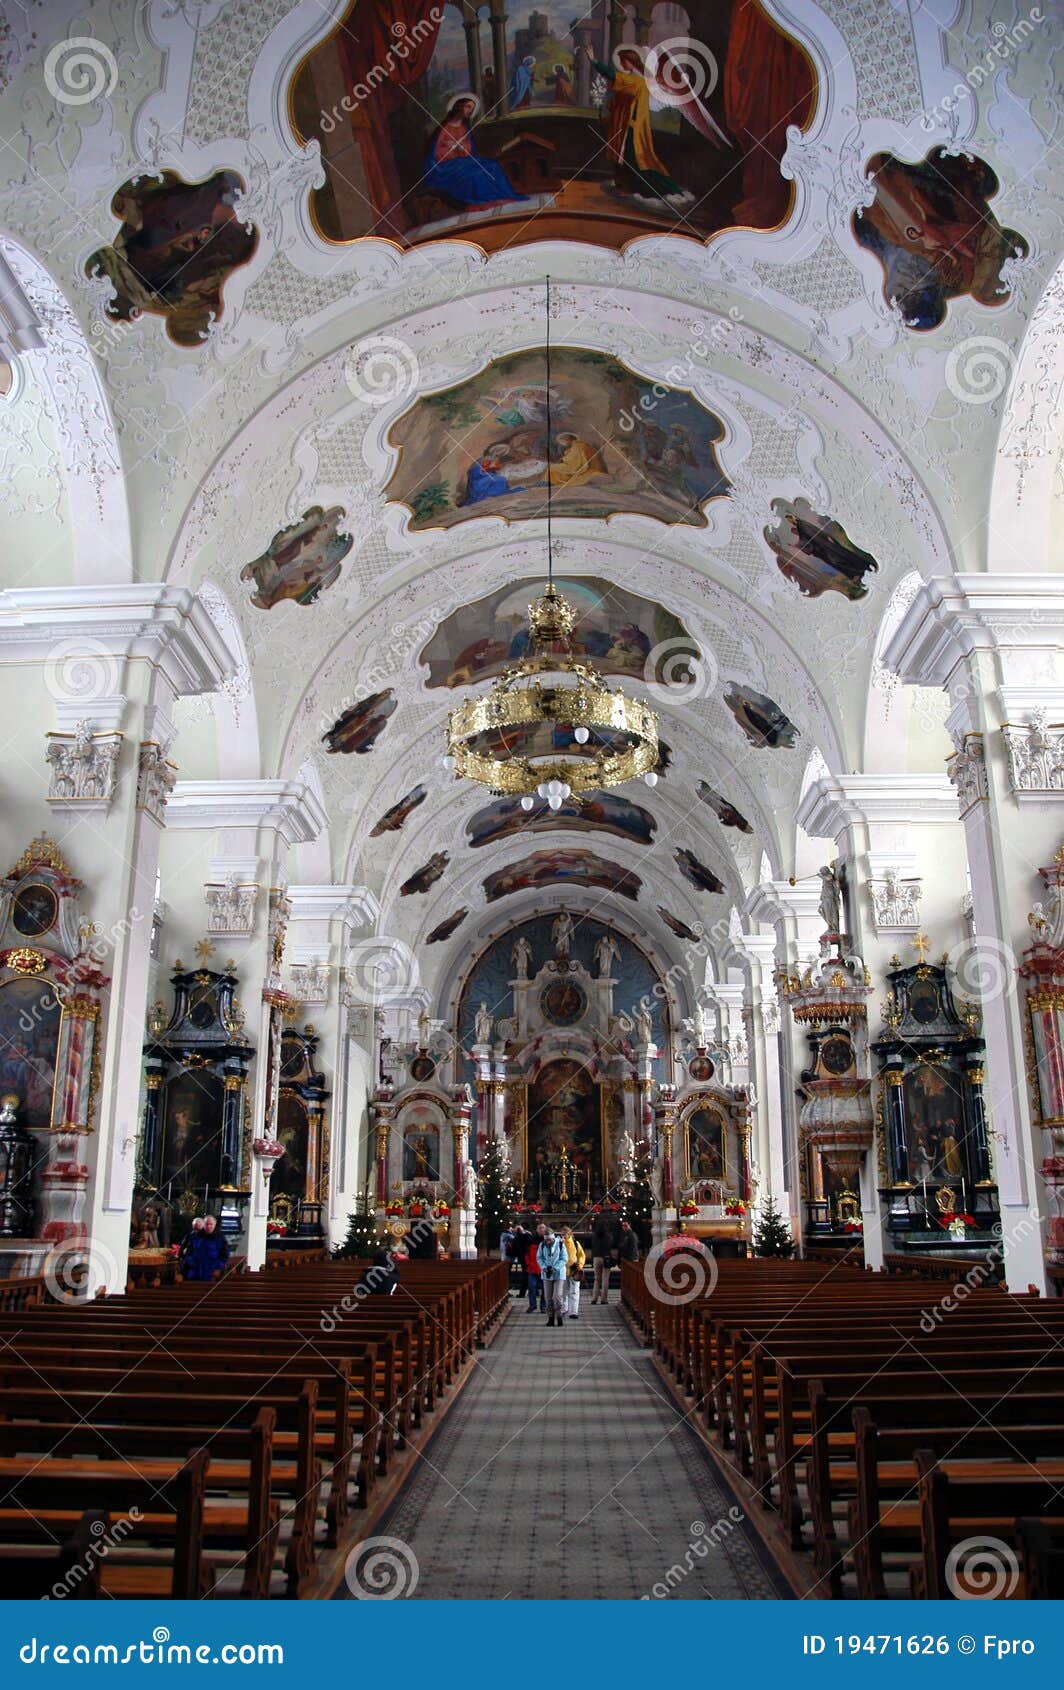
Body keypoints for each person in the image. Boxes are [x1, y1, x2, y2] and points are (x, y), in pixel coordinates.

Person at [424, 96, 527, 210]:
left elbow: (469, 149)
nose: (470, 110)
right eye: (468, 106)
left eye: (472, 108)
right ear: (459, 106)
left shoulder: (464, 127)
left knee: (493, 165)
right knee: (476, 173)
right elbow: (436, 154)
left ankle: (501, 195)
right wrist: (451, 148)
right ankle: (485, 199)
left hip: (464, 160)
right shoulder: (444, 129)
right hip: (446, 166)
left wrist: (463, 148)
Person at [183, 1214, 229, 1281]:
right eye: (207, 1224)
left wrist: (217, 1267)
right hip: (196, 1272)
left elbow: (225, 1255)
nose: (209, 1226)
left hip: (212, 1273)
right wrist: (192, 1263)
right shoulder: (195, 1237)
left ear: (214, 1225)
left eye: (211, 1224)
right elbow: (189, 1253)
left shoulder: (220, 1238)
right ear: (203, 1225)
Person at [537, 1228, 568, 1328]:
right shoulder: (542, 1245)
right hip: (546, 1274)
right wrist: (544, 1267)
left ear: (553, 1238)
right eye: (546, 1240)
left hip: (558, 1274)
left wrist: (555, 1268)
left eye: (549, 1240)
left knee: (557, 1296)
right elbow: (539, 1258)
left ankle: (559, 1317)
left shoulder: (560, 1244)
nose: (548, 1242)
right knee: (548, 1297)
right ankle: (550, 1318)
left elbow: (564, 1258)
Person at [559, 1224, 586, 1319]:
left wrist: (580, 1264)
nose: (564, 1236)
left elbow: (581, 1255)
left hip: (574, 1270)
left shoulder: (575, 1243)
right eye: (562, 1234)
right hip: (562, 1270)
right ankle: (564, 1309)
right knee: (563, 1291)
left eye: (565, 1234)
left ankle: (573, 1311)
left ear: (570, 1234)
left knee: (574, 1291)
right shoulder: (559, 1243)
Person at [590, 1211, 614, 1305]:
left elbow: (592, 1245)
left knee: (596, 1279)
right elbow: (611, 1244)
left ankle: (594, 1298)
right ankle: (604, 1299)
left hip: (596, 1257)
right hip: (606, 1257)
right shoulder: (608, 1236)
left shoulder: (595, 1235)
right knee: (605, 1279)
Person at [524, 1231, 545, 1314]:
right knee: (531, 1288)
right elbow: (526, 1253)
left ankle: (543, 1306)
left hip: (543, 1269)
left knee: (545, 1289)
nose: (541, 1230)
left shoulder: (547, 1241)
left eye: (543, 1228)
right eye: (540, 1228)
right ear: (537, 1230)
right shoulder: (531, 1240)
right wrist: (529, 1263)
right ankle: (532, 1305)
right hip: (532, 1268)